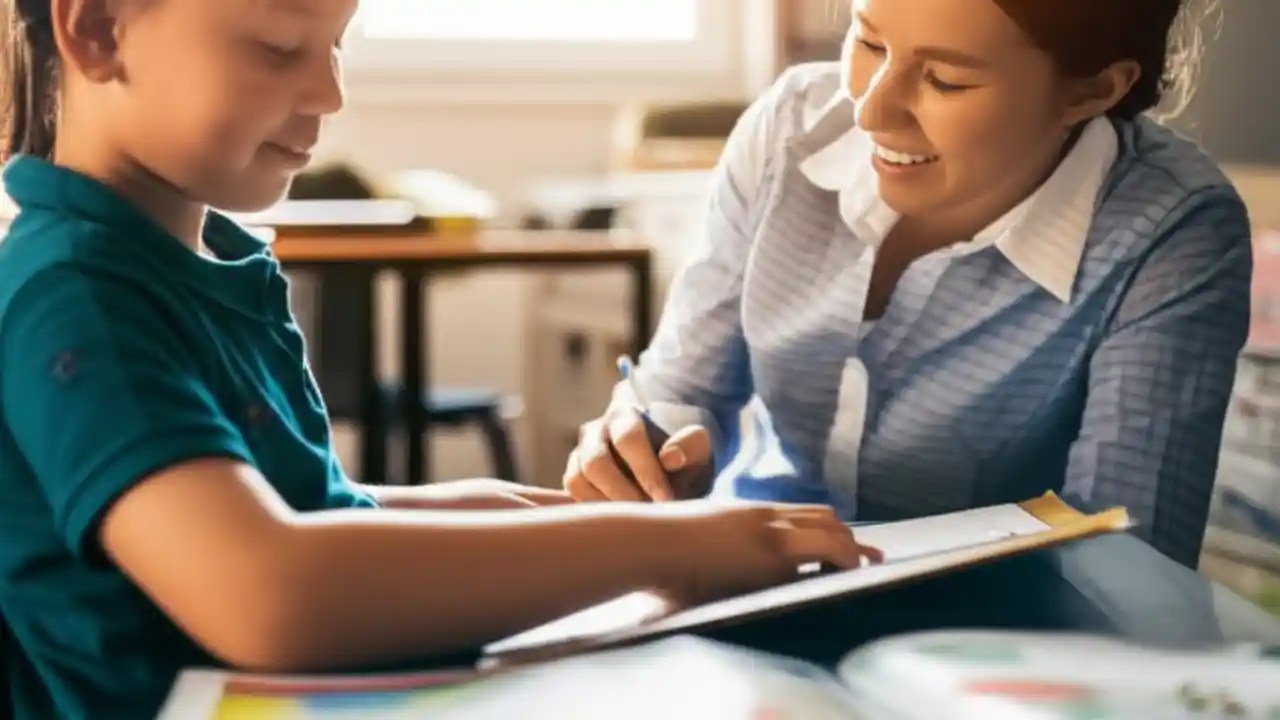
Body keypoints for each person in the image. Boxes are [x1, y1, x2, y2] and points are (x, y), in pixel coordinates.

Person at [0, 0, 877, 717]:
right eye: (279, 47)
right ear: (99, 31)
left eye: (337, 44)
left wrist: (584, 524)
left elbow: (320, 513)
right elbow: (267, 591)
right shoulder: (76, 295)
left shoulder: (196, 263)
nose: (330, 92)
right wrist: (660, 551)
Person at [564, 0, 1252, 571]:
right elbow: (683, 392)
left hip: (991, 637)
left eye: (946, 81)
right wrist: (648, 447)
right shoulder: (788, 132)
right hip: (747, 584)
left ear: (1092, 91)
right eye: (867, 40)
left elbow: (1128, 558)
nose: (871, 111)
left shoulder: (1170, 228)